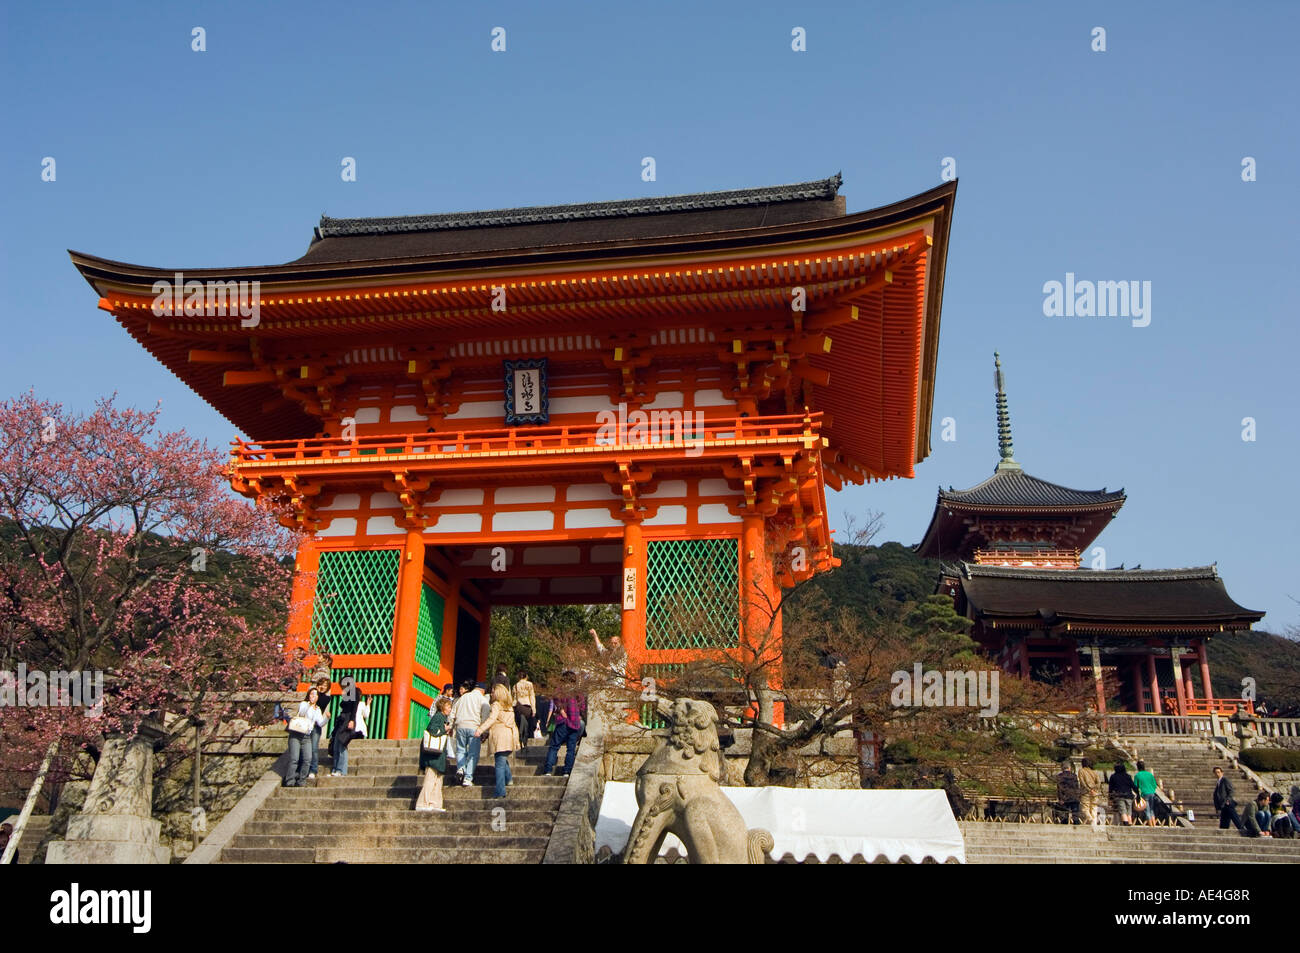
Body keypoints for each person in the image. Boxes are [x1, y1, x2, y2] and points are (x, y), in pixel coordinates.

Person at [478, 684, 521, 798]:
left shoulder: (496, 705)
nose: (491, 694)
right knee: (502, 759)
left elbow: (491, 719)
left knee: (499, 765)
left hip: (500, 736)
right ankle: (509, 779)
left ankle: (500, 791)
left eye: (493, 692)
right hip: (510, 735)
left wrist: (480, 729)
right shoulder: (509, 706)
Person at [543, 673, 587, 777]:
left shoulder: (559, 690)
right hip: (574, 721)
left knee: (554, 746)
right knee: (571, 749)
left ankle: (548, 770)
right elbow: (582, 706)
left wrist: (561, 710)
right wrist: (579, 713)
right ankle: (566, 771)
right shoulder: (577, 692)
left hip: (562, 721)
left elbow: (556, 701)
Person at [284, 687, 329, 787]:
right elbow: (302, 712)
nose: (314, 696)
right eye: (312, 694)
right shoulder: (304, 704)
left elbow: (320, 723)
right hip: (296, 733)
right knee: (294, 758)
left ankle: (302, 780)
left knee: (308, 758)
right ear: (308, 695)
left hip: (306, 736)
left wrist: (327, 718)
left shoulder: (317, 710)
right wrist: (309, 704)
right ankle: (290, 780)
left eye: (316, 694)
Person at [416, 697, 452, 813]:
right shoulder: (438, 717)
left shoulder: (442, 717)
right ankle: (423, 802)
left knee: (437, 779)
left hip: (437, 754)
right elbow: (432, 731)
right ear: (442, 706)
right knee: (430, 779)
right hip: (433, 754)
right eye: (448, 706)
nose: (450, 709)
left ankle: (434, 803)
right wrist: (444, 729)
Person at [451, 680, 489, 786]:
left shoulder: (463, 697)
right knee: (473, 754)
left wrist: (450, 725)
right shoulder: (482, 699)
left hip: (460, 726)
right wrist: (484, 731)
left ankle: (461, 768)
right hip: (474, 728)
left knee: (460, 750)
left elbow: (453, 712)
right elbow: (485, 716)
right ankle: (468, 778)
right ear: (483, 691)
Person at [308, 675, 331, 780]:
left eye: (325, 686)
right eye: (321, 684)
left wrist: (316, 692)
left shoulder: (326, 698)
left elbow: (319, 702)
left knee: (314, 748)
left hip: (316, 724)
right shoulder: (311, 694)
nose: (322, 687)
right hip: (307, 724)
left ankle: (313, 769)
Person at [1107, 762, 1138, 826]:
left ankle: (1125, 823)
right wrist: (1138, 794)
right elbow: (1133, 786)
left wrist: (1110, 797)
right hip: (1129, 795)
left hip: (1119, 795)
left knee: (1122, 810)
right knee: (1129, 810)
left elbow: (1110, 788)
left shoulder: (1113, 776)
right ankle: (1130, 822)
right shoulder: (1128, 776)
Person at [1213, 766, 1243, 831]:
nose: (1217, 774)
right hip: (1223, 805)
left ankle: (1242, 829)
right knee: (1224, 822)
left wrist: (1228, 800)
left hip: (1227, 804)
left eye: (1218, 772)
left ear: (1222, 773)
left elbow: (1231, 791)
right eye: (1215, 773)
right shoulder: (1218, 782)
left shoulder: (1225, 780)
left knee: (1235, 818)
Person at [514, 670, 537, 745]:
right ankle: (529, 740)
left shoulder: (516, 685)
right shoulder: (529, 684)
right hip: (528, 706)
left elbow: (514, 698)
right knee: (529, 725)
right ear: (526, 676)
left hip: (519, 707)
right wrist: (534, 709)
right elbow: (532, 697)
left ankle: (520, 739)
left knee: (519, 724)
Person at [1134, 760, 1159, 826]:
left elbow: (1135, 786)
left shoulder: (1137, 775)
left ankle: (1151, 825)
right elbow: (1155, 785)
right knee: (1151, 810)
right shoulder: (1150, 774)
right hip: (1152, 793)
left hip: (1144, 793)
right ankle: (1154, 824)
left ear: (1138, 767)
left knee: (1147, 810)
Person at [1078, 757, 1102, 824]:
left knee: (1085, 808)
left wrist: (1089, 789)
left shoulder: (1081, 771)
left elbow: (1082, 782)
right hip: (1095, 792)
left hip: (1085, 792)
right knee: (1093, 808)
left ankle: (1090, 819)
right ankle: (1094, 823)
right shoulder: (1094, 771)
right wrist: (1094, 789)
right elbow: (1099, 782)